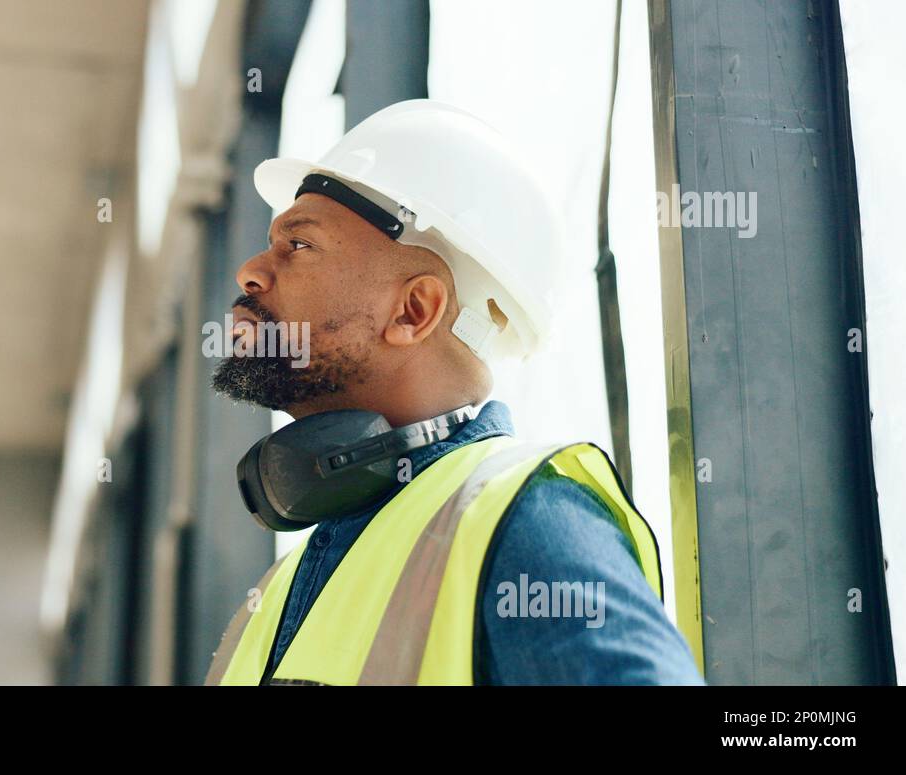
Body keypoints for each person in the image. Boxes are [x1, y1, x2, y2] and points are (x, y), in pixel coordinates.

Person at [204, 100, 704, 686]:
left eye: (300, 245)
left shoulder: (528, 526)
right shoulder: (285, 589)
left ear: (414, 310)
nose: (250, 271)